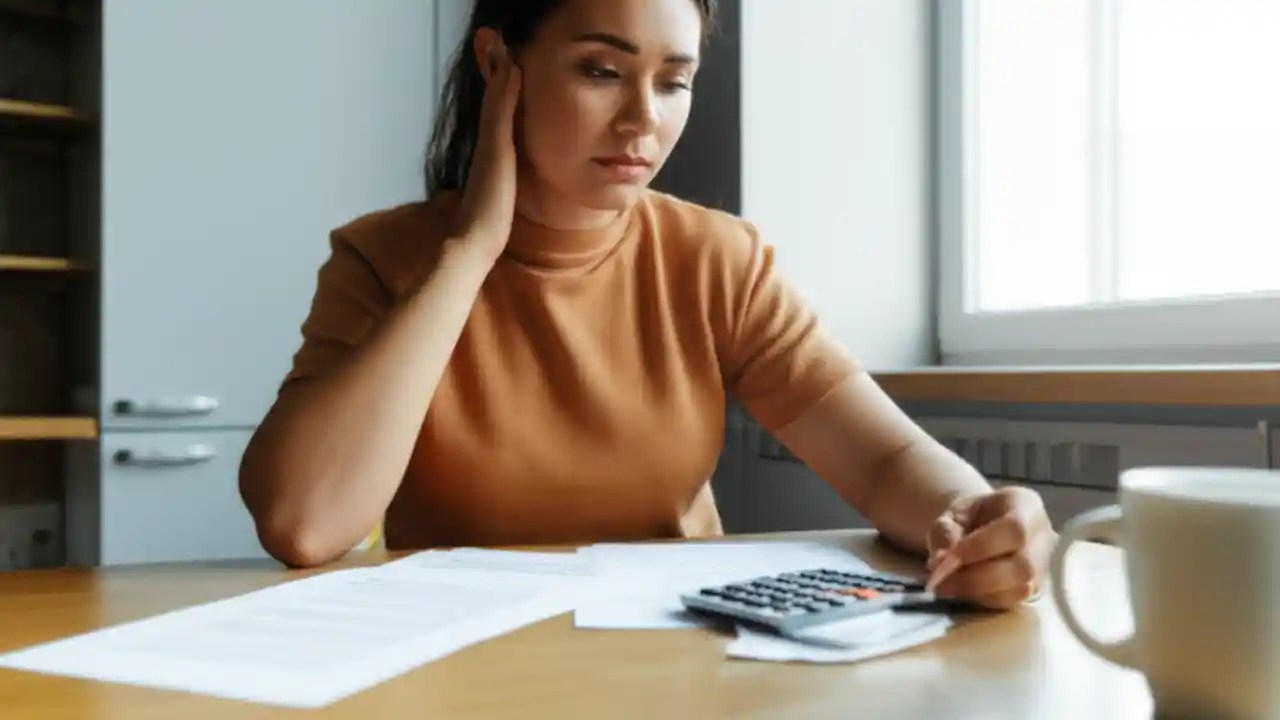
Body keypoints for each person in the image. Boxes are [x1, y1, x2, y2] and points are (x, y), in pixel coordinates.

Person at [238, 0, 1056, 609]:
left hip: (679, 659)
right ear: (498, 67)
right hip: (462, 665)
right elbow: (304, 523)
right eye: (601, 70)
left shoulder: (716, 258)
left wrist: (975, 514)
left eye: (674, 82)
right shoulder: (385, 259)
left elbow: (882, 461)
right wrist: (472, 250)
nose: (643, 121)